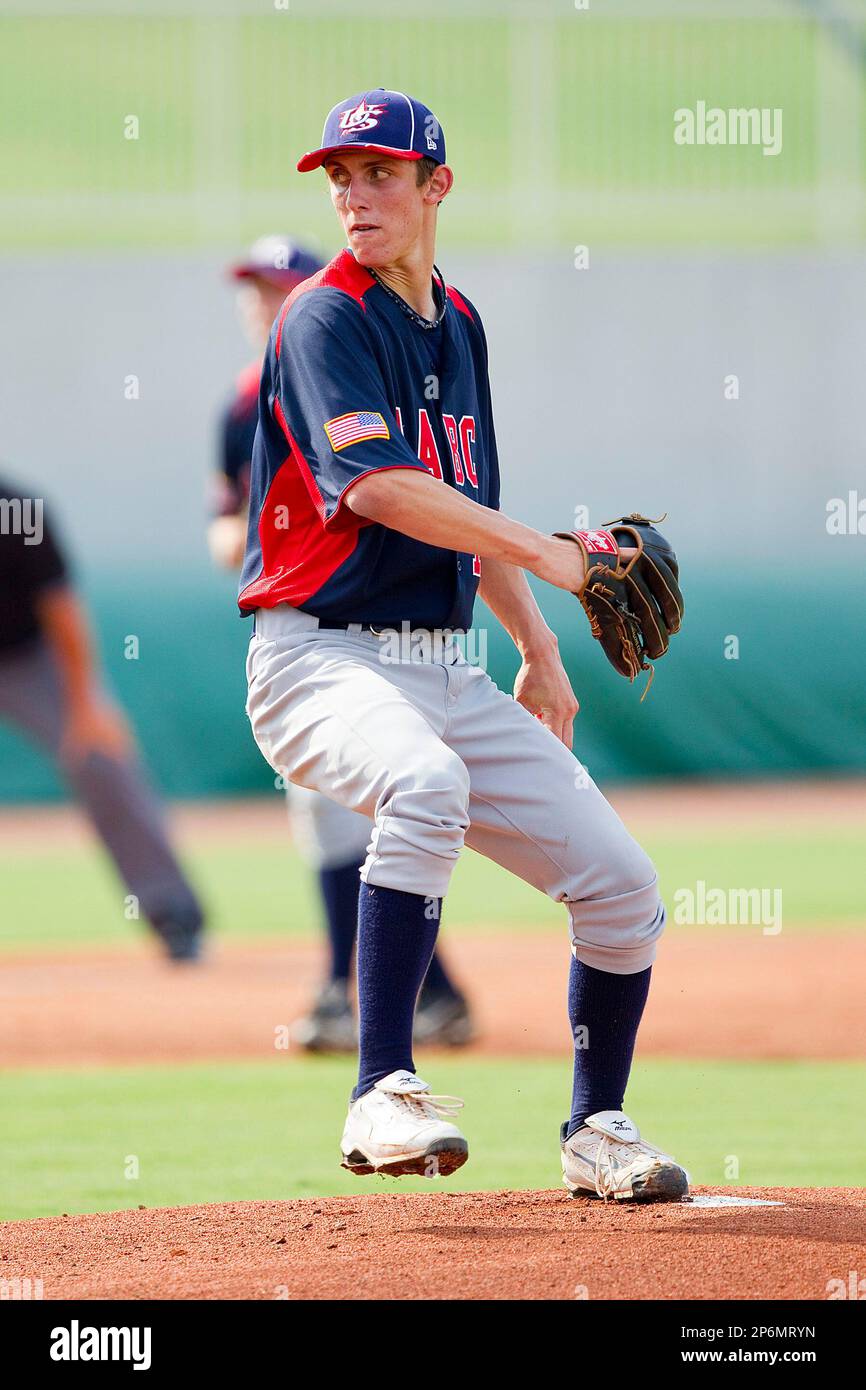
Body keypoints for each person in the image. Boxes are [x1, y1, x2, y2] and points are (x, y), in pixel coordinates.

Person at [240, 90, 690, 1201]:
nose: (353, 195)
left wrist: (537, 650)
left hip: (446, 668)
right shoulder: (320, 317)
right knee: (424, 782)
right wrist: (550, 555)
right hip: (316, 660)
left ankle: (597, 1127)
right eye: (338, 176)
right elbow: (386, 490)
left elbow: (461, 502)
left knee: (623, 887)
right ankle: (381, 1088)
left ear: (435, 186)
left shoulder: (459, 321)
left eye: (378, 172)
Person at [210, 235, 474, 1050]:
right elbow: (227, 513)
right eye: (253, 287)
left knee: (396, 799)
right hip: (306, 620)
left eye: (277, 285)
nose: (263, 301)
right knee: (340, 812)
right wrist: (235, 537)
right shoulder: (243, 402)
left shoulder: (357, 358)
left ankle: (357, 988)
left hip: (392, 625)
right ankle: (412, 988)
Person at [0, 475, 204, 960]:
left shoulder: (15, 510)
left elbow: (61, 609)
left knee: (100, 757)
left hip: (30, 657)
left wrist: (85, 704)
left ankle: (171, 911)